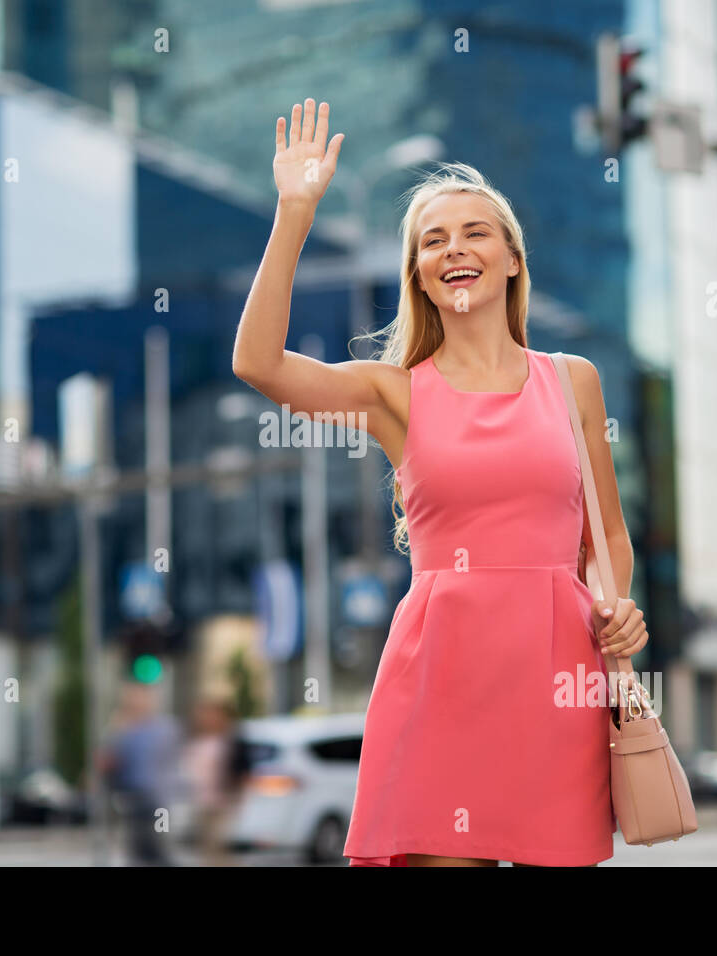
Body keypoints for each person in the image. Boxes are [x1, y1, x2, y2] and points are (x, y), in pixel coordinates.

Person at [233, 100, 648, 867]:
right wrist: (295, 212)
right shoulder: (396, 392)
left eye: (475, 232)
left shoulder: (573, 382)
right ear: (420, 275)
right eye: (433, 241)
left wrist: (615, 604)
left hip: (559, 675)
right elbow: (260, 365)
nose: (454, 249)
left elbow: (608, 538)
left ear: (513, 259)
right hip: (440, 677)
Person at [98, 680, 182, 866]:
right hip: (131, 798)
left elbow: (170, 763)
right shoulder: (122, 729)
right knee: (137, 851)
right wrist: (118, 730)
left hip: (158, 800)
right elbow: (107, 761)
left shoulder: (165, 727)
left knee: (160, 848)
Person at [182, 696, 250, 866]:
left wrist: (237, 796)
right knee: (206, 848)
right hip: (200, 801)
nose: (206, 718)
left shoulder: (232, 741)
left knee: (217, 845)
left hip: (224, 802)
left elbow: (243, 771)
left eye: (211, 714)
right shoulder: (196, 740)